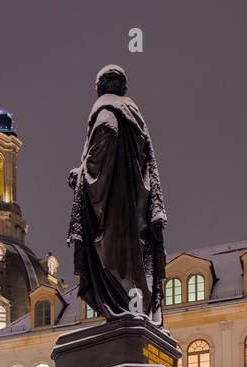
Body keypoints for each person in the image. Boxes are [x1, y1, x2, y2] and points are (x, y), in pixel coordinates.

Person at [67, 64, 167, 325]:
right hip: (136, 210)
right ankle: (135, 306)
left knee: (112, 261)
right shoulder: (135, 120)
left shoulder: (106, 116)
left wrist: (80, 175)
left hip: (113, 210)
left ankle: (122, 306)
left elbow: (100, 158)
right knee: (134, 261)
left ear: (100, 89)